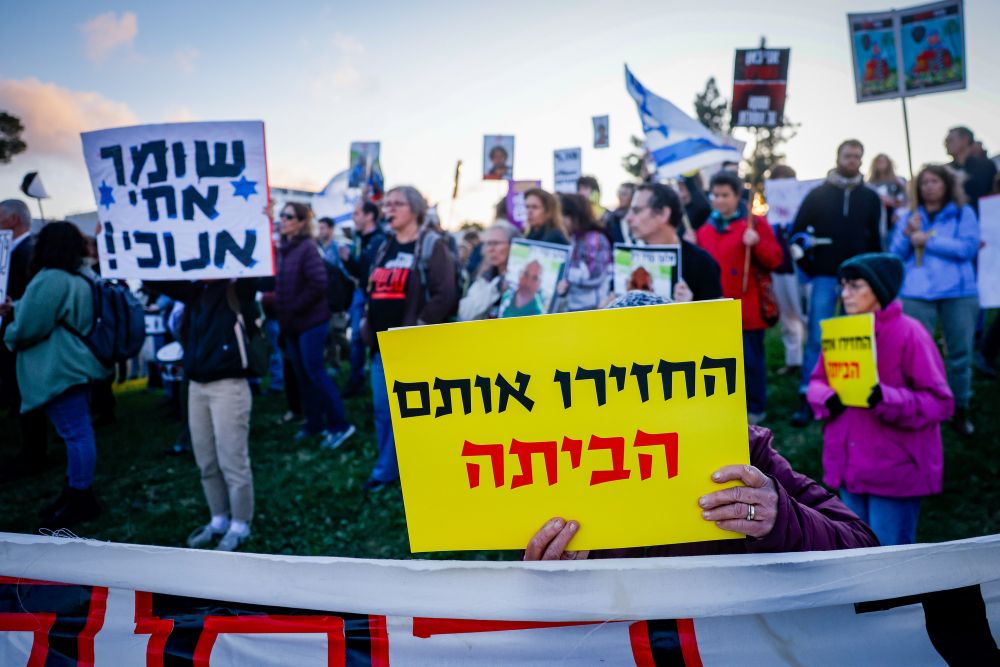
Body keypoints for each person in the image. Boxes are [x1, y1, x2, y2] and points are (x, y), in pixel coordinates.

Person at [523, 292, 879, 561]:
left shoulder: (741, 451)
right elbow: (543, 599)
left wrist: (780, 518)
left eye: (654, 367)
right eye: (616, 367)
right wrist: (549, 569)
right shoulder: (565, 464)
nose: (635, 385)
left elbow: (861, 544)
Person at [807, 254, 952, 546]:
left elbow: (940, 402)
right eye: (843, 286)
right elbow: (816, 382)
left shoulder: (910, 333)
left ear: (880, 289)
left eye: (855, 286)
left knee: (889, 557)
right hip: (848, 467)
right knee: (853, 552)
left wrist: (887, 399)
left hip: (894, 471)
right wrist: (827, 398)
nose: (845, 294)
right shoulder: (842, 332)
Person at [152, 271, 274, 551]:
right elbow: (156, 278)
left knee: (233, 459)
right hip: (197, 386)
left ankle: (240, 524)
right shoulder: (194, 291)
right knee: (205, 458)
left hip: (228, 386)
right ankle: (218, 519)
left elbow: (257, 272)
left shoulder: (237, 289)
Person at [3, 221, 111, 527]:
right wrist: (16, 307)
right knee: (78, 431)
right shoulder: (83, 274)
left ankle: (81, 498)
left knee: (75, 434)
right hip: (78, 364)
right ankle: (75, 491)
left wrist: (9, 332)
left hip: (58, 367)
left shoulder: (50, 278)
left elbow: (29, 328)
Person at [363, 185, 458, 492]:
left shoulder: (431, 245)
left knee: (406, 412)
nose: (388, 209)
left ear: (415, 209)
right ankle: (391, 467)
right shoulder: (385, 246)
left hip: (412, 344)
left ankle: (389, 472)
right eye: (386, 204)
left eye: (397, 204)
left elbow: (445, 294)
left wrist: (418, 325)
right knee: (382, 410)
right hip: (381, 344)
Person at [790, 139, 882, 427]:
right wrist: (811, 266)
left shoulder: (870, 197)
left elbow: (875, 240)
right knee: (817, 337)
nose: (852, 160)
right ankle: (808, 394)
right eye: (848, 155)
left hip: (860, 279)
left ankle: (851, 393)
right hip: (826, 276)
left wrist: (873, 277)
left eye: (857, 156)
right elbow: (796, 235)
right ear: (838, 156)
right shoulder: (817, 194)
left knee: (856, 337)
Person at [889, 164, 980, 436]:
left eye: (935, 181)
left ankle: (960, 407)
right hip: (917, 294)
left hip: (958, 293)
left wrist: (928, 240)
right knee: (915, 354)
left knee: (960, 353)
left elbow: (967, 248)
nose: (929, 187)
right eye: (924, 182)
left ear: (947, 184)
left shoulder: (963, 213)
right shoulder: (910, 216)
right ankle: (919, 406)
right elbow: (894, 255)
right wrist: (908, 235)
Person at [697, 172, 783, 423]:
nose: (719, 200)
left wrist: (757, 243)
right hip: (715, 308)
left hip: (747, 308)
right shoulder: (705, 229)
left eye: (725, 195)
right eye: (715, 195)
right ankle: (726, 406)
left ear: (737, 197)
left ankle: (755, 408)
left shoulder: (754, 224)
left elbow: (775, 259)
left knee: (750, 361)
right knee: (719, 361)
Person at [275, 202, 355, 449]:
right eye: (282, 215)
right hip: (292, 323)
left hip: (310, 322)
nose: (283, 219)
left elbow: (318, 283)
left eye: (289, 216)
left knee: (316, 373)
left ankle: (340, 425)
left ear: (301, 222)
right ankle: (314, 423)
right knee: (303, 376)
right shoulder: (285, 248)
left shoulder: (307, 248)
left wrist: (295, 306)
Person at [0, 199, 48, 482]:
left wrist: (12, 306)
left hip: (23, 336)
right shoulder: (17, 252)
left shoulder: (27, 253)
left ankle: (34, 454)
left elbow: (33, 298)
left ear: (13, 219)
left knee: (26, 395)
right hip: (14, 334)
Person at [624, 183, 722, 302]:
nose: (628, 218)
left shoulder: (702, 263)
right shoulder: (626, 260)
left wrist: (690, 308)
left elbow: (718, 313)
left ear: (663, 214)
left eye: (637, 211)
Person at [340, 200, 387, 397]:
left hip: (375, 295)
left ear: (370, 216)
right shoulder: (359, 239)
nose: (353, 217)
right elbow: (360, 272)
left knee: (374, 338)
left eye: (357, 213)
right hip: (361, 293)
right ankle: (357, 380)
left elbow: (371, 271)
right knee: (357, 338)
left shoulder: (380, 240)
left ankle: (381, 383)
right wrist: (348, 260)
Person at [766, 164, 808, 378]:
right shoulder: (769, 216)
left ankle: (814, 359)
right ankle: (794, 359)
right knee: (787, 316)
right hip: (778, 270)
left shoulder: (803, 210)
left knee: (806, 315)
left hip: (801, 270)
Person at [556, 193, 612, 312]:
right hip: (575, 306)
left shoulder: (595, 239)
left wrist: (568, 280)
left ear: (574, 216)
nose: (560, 221)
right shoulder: (575, 238)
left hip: (593, 308)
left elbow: (595, 276)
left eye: (563, 215)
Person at [459, 221, 517, 321]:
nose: (491, 249)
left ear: (513, 245)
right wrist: (495, 287)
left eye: (496, 243)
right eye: (489, 244)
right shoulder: (486, 276)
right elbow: (464, 314)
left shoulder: (522, 278)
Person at [945, 126, 998, 213]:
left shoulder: (986, 166)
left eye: (950, 140)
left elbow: (994, 194)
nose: (945, 144)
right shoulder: (946, 170)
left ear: (965, 140)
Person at [868, 153, 908, 244]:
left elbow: (907, 201)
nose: (881, 163)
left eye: (883, 161)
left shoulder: (899, 182)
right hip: (877, 223)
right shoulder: (869, 185)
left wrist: (896, 208)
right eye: (878, 161)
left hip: (895, 221)